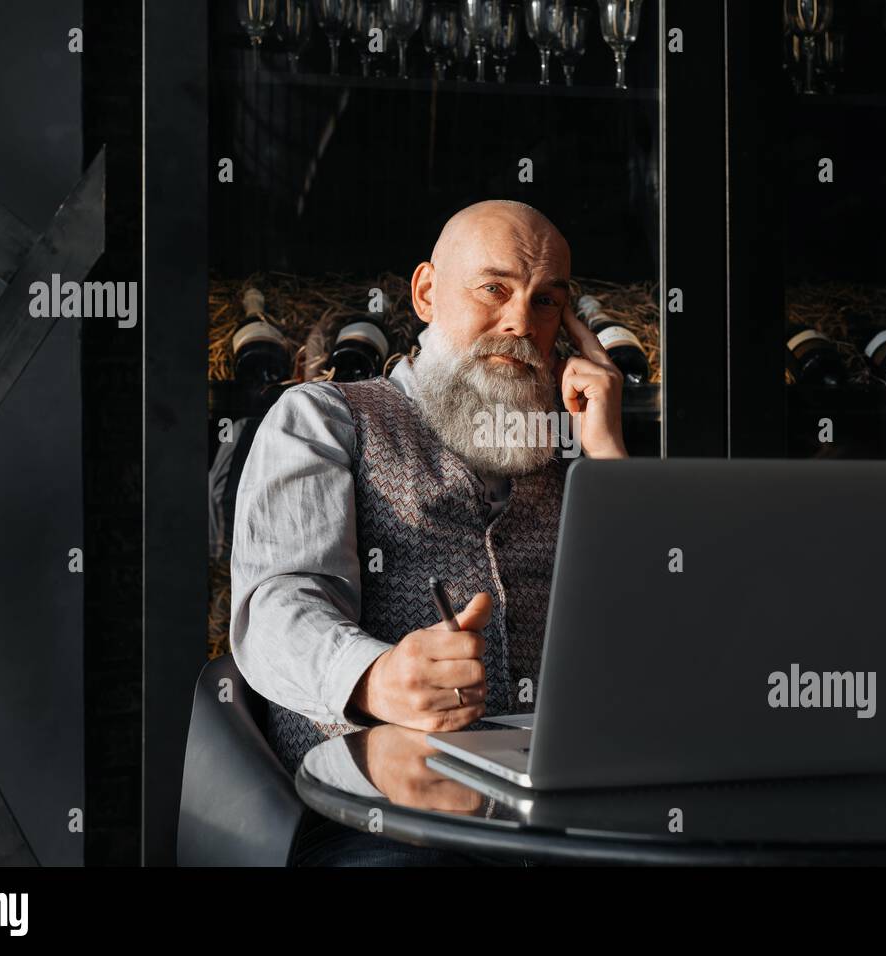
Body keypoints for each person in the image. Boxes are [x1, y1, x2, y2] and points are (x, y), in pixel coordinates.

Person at [229, 199, 628, 864]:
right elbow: (277, 607)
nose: (519, 323)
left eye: (546, 301)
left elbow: (655, 629)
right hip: (377, 820)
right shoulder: (325, 419)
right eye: (494, 288)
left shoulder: (577, 446)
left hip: (570, 813)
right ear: (425, 292)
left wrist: (609, 451)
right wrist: (376, 676)